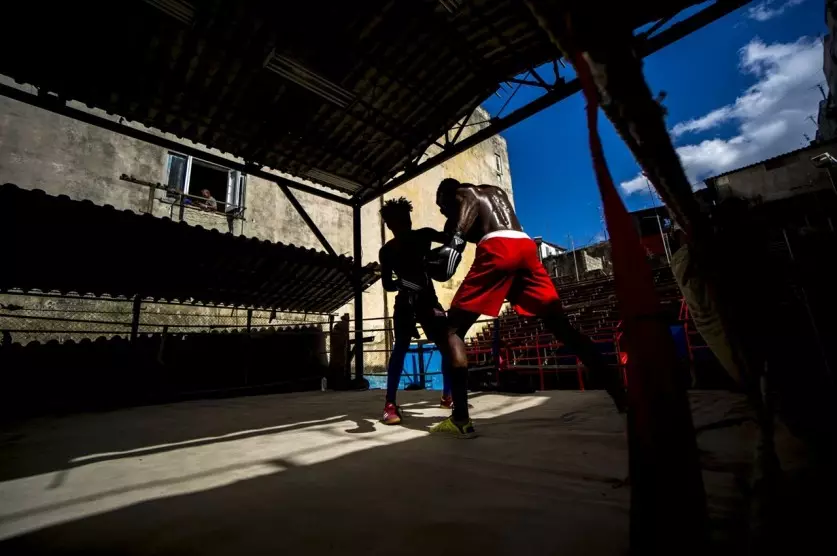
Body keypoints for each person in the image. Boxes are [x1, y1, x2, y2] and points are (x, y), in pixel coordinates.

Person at [426, 179, 628, 437]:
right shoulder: (495, 192)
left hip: (499, 249)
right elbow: (471, 225)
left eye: (442, 205)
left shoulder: (465, 193)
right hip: (525, 248)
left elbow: (464, 215)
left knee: (451, 330)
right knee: (563, 327)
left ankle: (461, 419)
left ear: (448, 194)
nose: (443, 211)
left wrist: (453, 242)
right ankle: (621, 396)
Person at [378, 198, 453, 425]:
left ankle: (448, 396)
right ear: (391, 225)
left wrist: (454, 216)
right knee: (400, 347)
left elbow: (452, 238)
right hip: (405, 302)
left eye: (407, 219)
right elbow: (387, 284)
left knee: (447, 345)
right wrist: (404, 284)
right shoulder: (387, 251)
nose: (406, 224)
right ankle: (390, 403)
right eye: (400, 221)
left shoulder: (424, 235)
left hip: (429, 300)